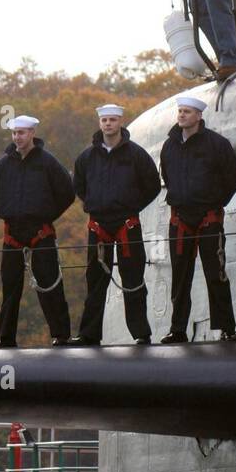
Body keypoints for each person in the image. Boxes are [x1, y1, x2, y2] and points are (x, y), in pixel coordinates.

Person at [72, 105, 161, 345]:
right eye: (104, 120)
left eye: (112, 120)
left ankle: (141, 333)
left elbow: (152, 184)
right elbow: (78, 185)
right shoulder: (86, 158)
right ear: (100, 123)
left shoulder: (136, 155)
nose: (108, 124)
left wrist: (132, 206)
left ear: (120, 121)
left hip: (127, 225)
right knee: (96, 280)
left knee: (133, 279)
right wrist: (93, 204)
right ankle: (89, 334)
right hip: (99, 226)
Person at [159, 94, 236, 344]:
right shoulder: (170, 146)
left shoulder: (217, 144)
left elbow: (232, 177)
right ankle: (178, 329)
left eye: (187, 112)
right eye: (180, 111)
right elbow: (167, 174)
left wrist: (216, 201)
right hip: (181, 218)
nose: (182, 115)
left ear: (198, 116)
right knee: (180, 276)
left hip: (208, 217)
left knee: (215, 273)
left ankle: (226, 326)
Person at [0, 115, 75, 347]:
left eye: (22, 133)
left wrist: (47, 214)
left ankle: (61, 335)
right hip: (12, 233)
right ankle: (6, 338)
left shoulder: (48, 162)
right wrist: (11, 212)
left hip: (41, 231)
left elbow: (67, 192)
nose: (18, 137)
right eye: (15, 133)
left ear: (32, 133)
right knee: (10, 289)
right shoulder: (4, 163)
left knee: (50, 285)